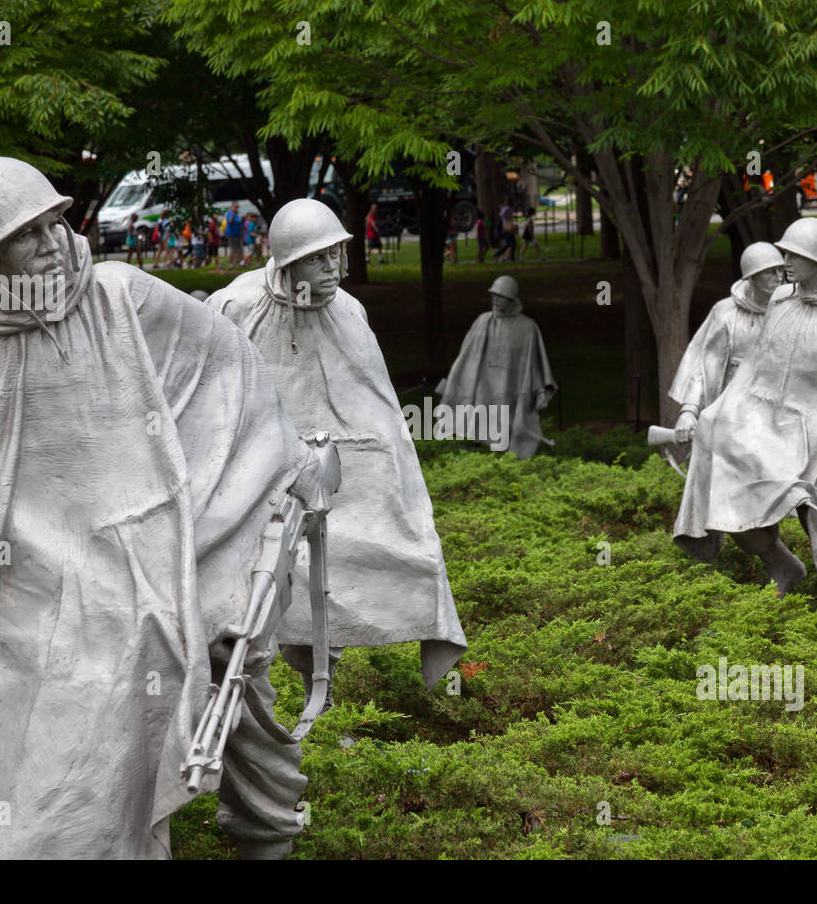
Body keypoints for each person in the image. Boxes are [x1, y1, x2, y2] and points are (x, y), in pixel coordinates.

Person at [0, 156, 334, 860]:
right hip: (39, 589)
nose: (51, 242)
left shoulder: (122, 297)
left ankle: (265, 830)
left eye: (53, 221)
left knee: (228, 646)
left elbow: (230, 373)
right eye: (25, 234)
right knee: (60, 698)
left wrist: (267, 481)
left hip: (168, 543)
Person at [207, 197, 466, 707]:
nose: (334, 269)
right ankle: (241, 700)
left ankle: (321, 688)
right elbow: (214, 405)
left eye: (336, 255)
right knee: (257, 583)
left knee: (390, 553)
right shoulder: (236, 307)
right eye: (318, 259)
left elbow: (378, 414)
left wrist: (393, 487)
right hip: (260, 481)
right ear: (288, 263)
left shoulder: (350, 311)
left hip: (337, 474)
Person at [673, 217, 817, 616]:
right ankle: (780, 563)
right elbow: (755, 367)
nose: (786, 262)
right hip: (770, 422)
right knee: (732, 480)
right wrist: (714, 414)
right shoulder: (779, 302)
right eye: (786, 253)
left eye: (796, 255)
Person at [665, 242, 785, 465]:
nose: (779, 277)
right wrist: (689, 410)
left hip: (776, 410)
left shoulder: (788, 311)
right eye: (770, 272)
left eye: (781, 270)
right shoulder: (725, 313)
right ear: (752, 276)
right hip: (730, 410)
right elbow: (704, 366)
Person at [437, 275, 558, 459]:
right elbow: (466, 357)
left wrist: (540, 390)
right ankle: (473, 452)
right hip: (482, 383)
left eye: (501, 297)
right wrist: (456, 382)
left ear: (512, 299)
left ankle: (504, 457)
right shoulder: (482, 321)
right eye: (494, 295)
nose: (496, 300)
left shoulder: (527, 327)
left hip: (511, 385)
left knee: (506, 424)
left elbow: (533, 361)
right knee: (475, 421)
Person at [224, 204, 242, 268]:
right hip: (232, 234)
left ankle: (237, 263)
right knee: (232, 249)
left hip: (237, 234)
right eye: (234, 207)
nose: (236, 208)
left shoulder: (236, 214)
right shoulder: (230, 213)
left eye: (237, 207)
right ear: (231, 207)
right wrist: (232, 215)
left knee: (237, 249)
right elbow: (230, 221)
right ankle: (231, 263)